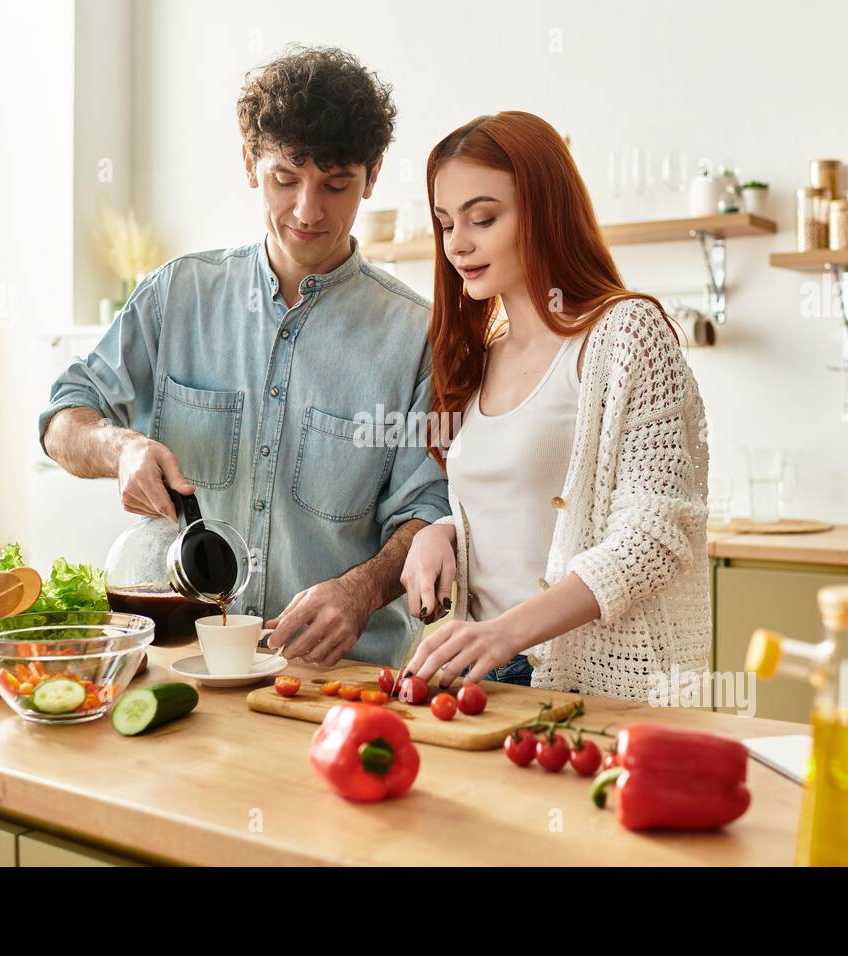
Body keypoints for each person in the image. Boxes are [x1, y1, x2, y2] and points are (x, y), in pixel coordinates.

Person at [40, 46, 448, 668]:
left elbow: (426, 512)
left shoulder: (417, 335)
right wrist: (120, 449)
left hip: (337, 680)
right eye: (285, 179)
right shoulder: (177, 295)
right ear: (249, 163)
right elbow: (62, 418)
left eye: (336, 184)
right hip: (184, 664)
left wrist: (361, 591)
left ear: (372, 176)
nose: (308, 211)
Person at [399, 111, 711, 699]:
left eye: (483, 218)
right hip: (483, 677)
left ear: (544, 211)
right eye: (446, 224)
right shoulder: (482, 355)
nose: (458, 243)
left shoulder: (625, 336)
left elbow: (652, 540)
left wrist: (504, 633)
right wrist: (440, 533)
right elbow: (518, 509)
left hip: (590, 683)